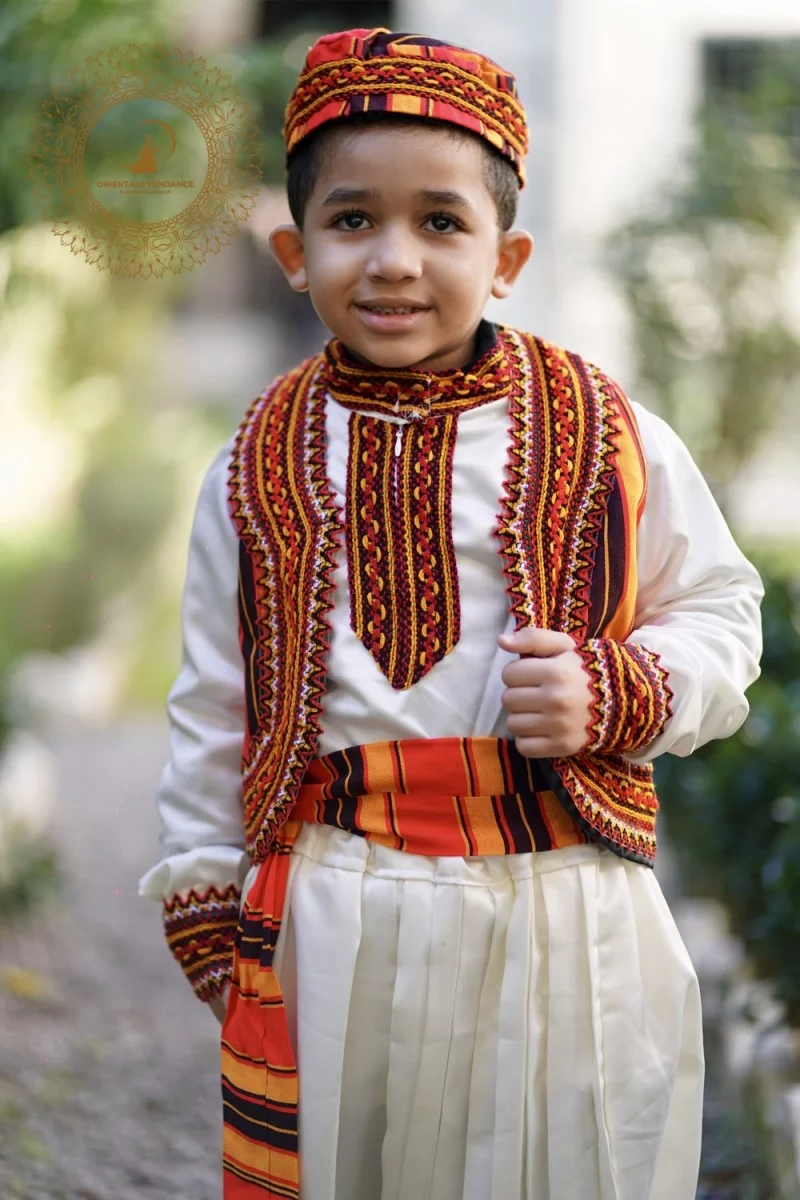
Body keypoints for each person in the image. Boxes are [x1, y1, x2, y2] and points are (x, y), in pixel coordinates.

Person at [138, 27, 763, 1200]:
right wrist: (206, 894)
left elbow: (721, 610)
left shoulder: (605, 431)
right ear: (292, 252)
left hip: (561, 902)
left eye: (439, 222)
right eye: (351, 220)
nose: (392, 261)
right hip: (330, 906)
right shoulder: (255, 461)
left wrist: (612, 691)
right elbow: (212, 697)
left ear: (506, 256)